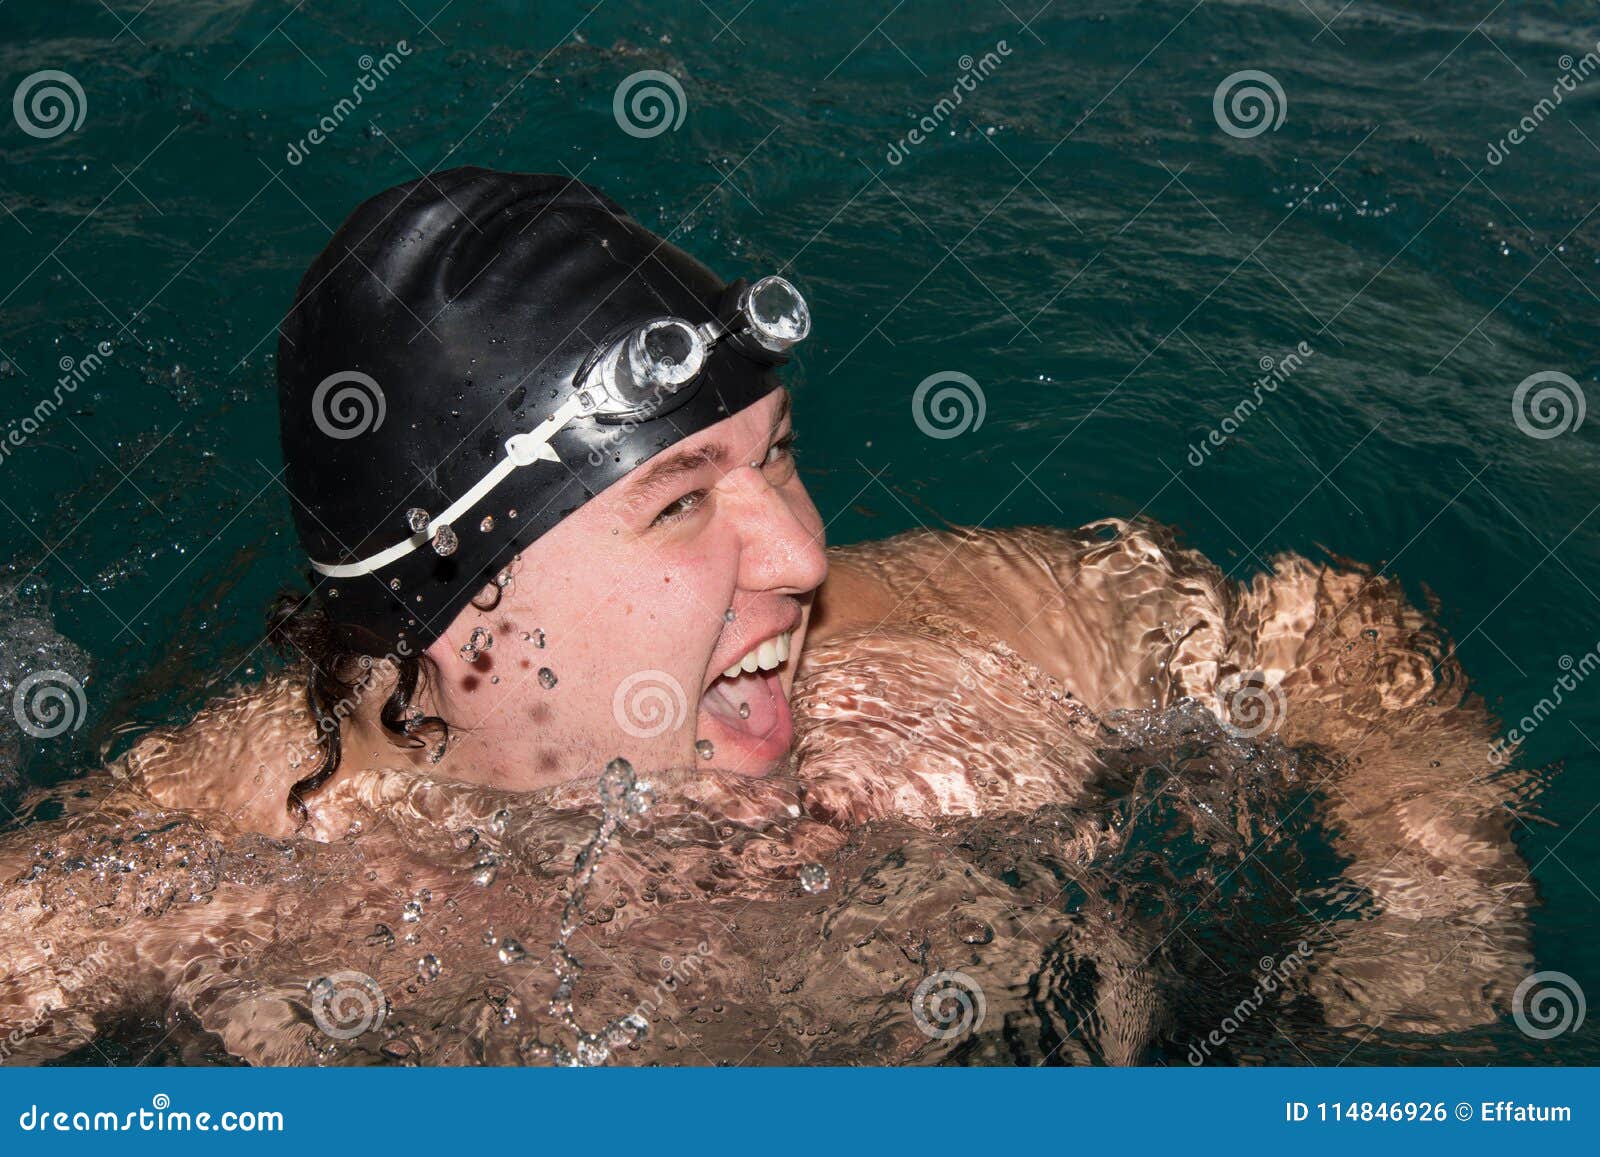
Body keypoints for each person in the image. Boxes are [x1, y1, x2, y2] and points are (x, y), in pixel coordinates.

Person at [0, 170, 1537, 1065]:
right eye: (684, 500)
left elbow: (1327, 637)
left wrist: (1422, 964)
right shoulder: (232, 867)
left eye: (779, 457)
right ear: (458, 619)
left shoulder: (963, 652)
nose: (802, 552)